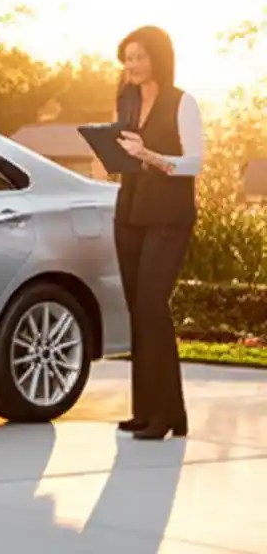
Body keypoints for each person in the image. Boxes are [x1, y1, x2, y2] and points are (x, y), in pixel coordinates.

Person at [112, 25, 203, 441]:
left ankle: (167, 414)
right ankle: (149, 410)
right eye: (127, 58)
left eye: (138, 57)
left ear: (157, 59)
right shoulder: (126, 99)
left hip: (169, 214)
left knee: (152, 305)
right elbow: (125, 157)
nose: (130, 65)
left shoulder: (183, 102)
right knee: (137, 308)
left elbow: (193, 163)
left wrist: (146, 154)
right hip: (130, 209)